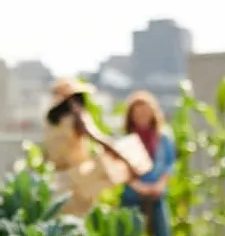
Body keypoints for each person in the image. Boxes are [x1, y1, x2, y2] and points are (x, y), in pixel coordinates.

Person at [43, 79, 152, 217]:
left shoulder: (50, 124)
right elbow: (98, 138)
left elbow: (46, 155)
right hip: (80, 180)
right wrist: (128, 162)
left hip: (59, 181)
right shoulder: (77, 116)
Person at [120, 90, 177, 236]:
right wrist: (139, 186)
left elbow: (169, 164)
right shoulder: (126, 140)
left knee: (162, 231)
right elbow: (121, 168)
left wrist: (159, 185)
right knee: (131, 233)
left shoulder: (163, 137)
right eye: (137, 113)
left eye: (145, 112)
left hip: (157, 191)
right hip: (133, 193)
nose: (142, 116)